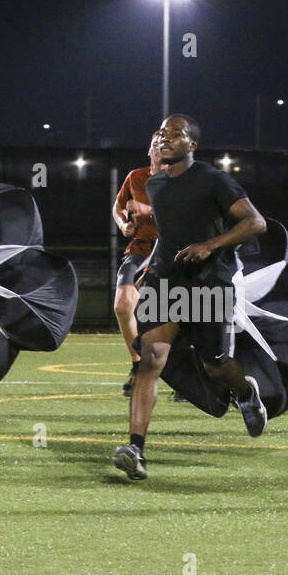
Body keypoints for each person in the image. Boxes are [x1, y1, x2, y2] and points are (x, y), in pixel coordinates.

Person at [112, 114, 269, 481]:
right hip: (169, 278)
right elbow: (167, 233)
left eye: (176, 134)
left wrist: (209, 245)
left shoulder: (214, 180)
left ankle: (245, 393)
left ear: (192, 145)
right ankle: (135, 449)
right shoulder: (155, 185)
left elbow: (255, 223)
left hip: (209, 280)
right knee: (150, 359)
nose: (165, 138)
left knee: (215, 365)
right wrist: (152, 269)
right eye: (162, 133)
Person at [111, 133, 163, 396]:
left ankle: (192, 374)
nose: (159, 149)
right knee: (123, 305)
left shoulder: (183, 180)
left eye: (165, 145)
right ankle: (138, 365)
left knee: (187, 313)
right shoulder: (136, 176)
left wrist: (147, 210)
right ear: (149, 150)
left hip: (172, 251)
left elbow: (185, 213)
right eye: (155, 145)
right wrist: (123, 224)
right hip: (140, 248)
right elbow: (118, 207)